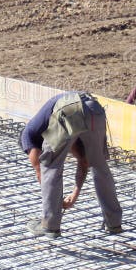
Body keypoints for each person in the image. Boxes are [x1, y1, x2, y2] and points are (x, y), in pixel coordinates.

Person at [20, 91, 122, 238]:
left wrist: (57, 201)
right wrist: (74, 194)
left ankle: (50, 225)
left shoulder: (28, 137)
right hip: (95, 109)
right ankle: (114, 223)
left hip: (70, 110)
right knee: (99, 165)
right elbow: (84, 160)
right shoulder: (59, 128)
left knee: (49, 165)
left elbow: (41, 172)